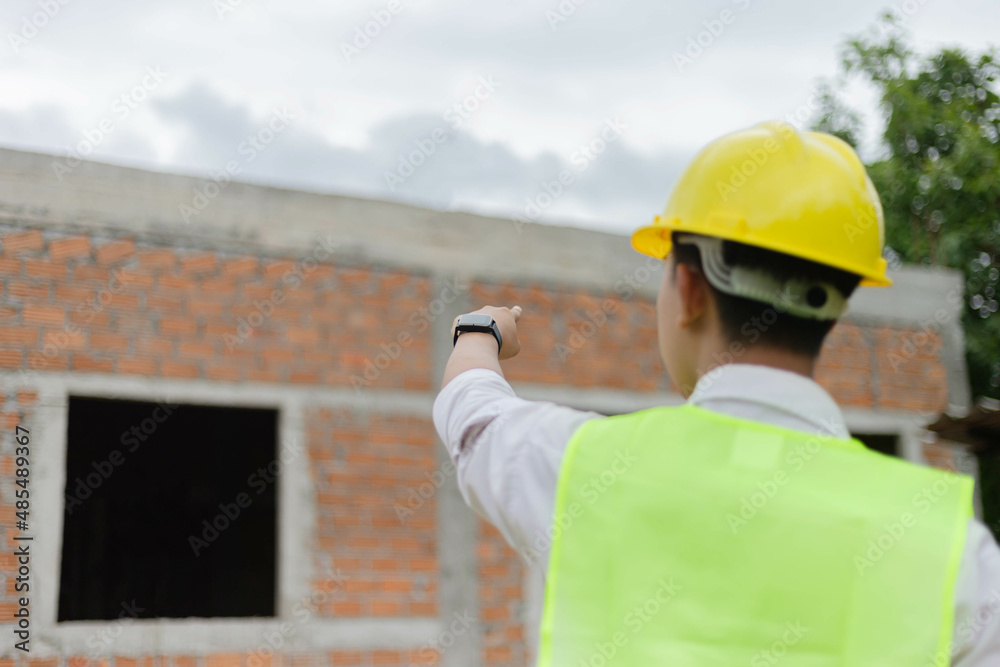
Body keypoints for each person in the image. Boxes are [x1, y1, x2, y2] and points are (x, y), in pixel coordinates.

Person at [433, 121, 1000, 664]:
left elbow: (471, 412)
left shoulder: (581, 468)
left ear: (688, 287)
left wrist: (482, 329)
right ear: (837, 302)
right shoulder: (955, 552)